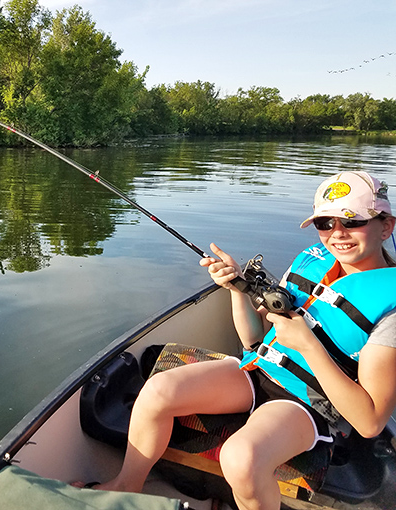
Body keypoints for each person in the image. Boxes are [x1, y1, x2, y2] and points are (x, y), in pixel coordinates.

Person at [77, 171, 396, 510]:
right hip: (256, 370)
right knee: (157, 391)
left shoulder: (390, 310)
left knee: (240, 458)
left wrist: (308, 346)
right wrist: (236, 289)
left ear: (386, 226)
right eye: (324, 223)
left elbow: (370, 420)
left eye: (352, 221)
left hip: (308, 404)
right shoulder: (312, 260)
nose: (336, 234)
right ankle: (127, 485)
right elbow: (254, 338)